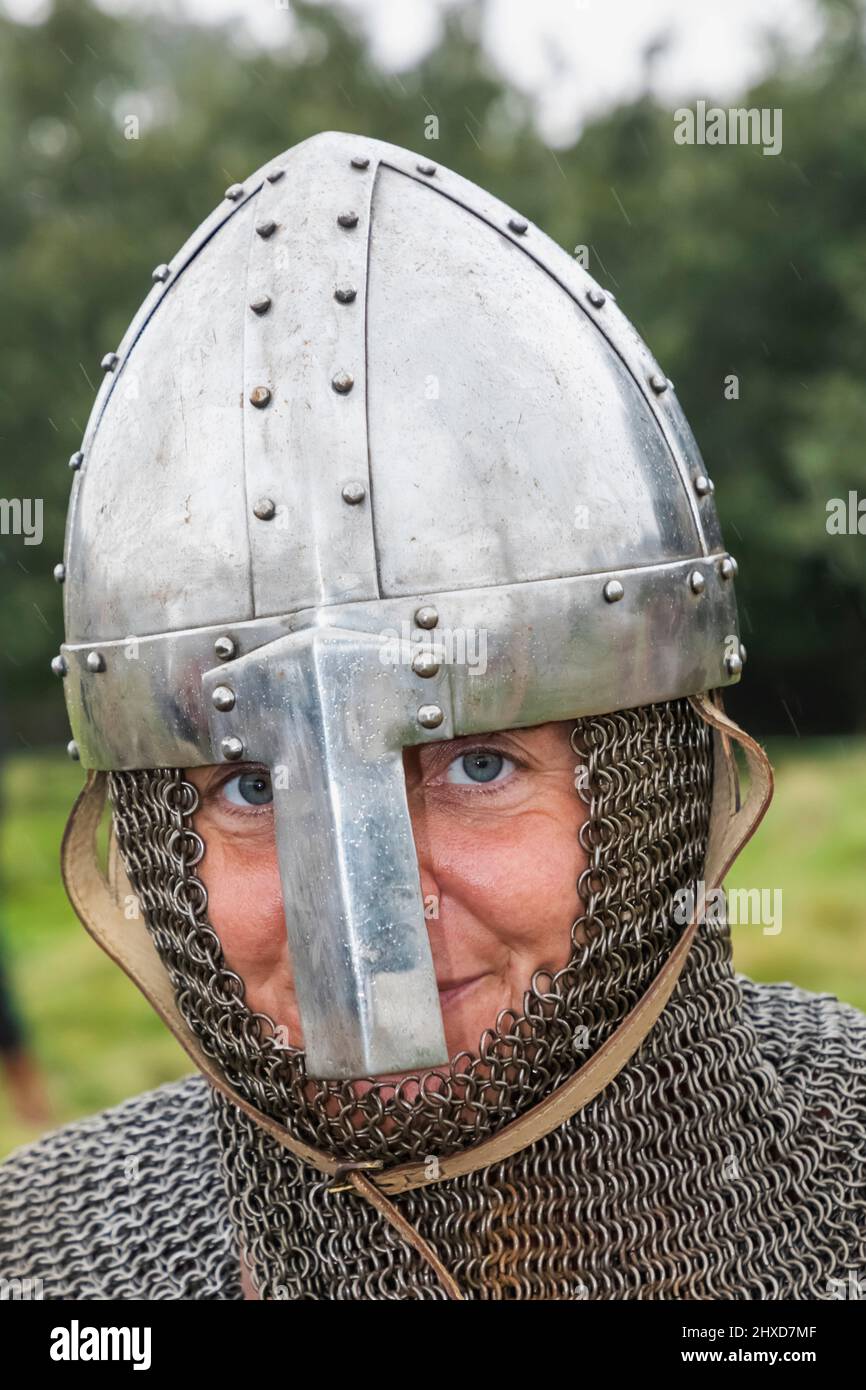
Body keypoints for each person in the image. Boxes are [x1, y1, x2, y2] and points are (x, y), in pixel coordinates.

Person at [0, 132, 863, 1302]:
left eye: (475, 766)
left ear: (663, 782)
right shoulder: (50, 1263)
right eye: (250, 786)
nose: (368, 914)